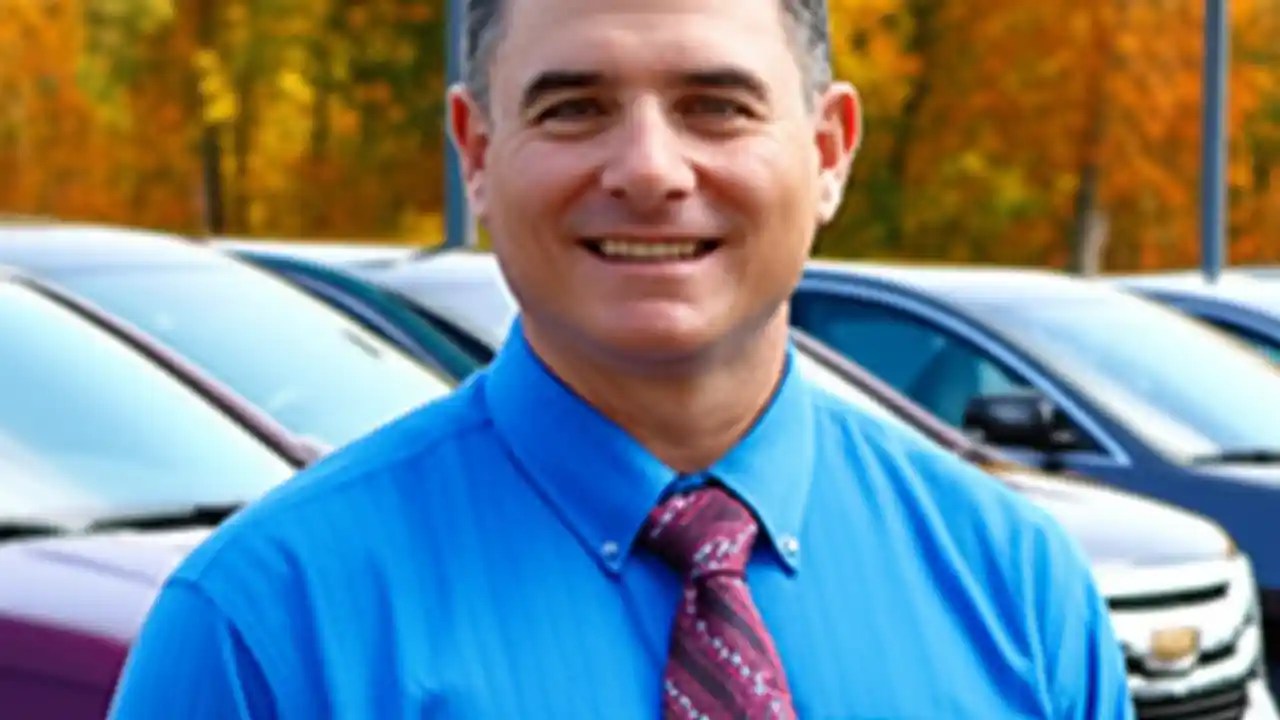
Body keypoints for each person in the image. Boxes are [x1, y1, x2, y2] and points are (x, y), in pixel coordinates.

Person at [108, 0, 1134, 717]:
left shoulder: (1014, 587)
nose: (647, 169)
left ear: (827, 152)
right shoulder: (268, 622)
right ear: (475, 154)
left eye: (714, 107)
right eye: (574, 109)